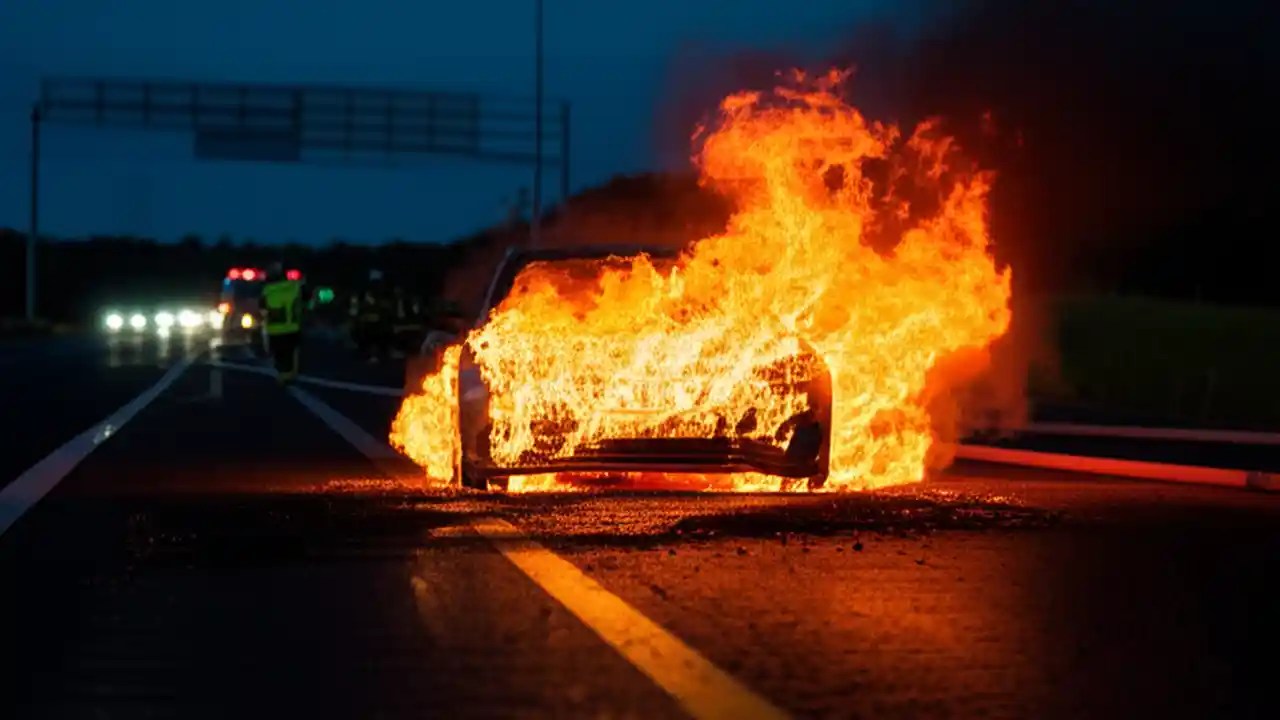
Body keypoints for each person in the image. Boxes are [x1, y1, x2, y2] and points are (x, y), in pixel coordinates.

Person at [260, 262, 305, 384]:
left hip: (275, 330)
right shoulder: (294, 287)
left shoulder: (267, 291)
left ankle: (283, 376)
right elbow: (305, 301)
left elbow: (263, 310)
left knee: (279, 355)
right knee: (291, 353)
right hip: (293, 328)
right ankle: (291, 375)